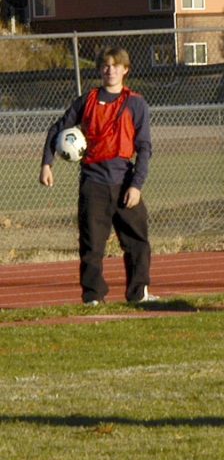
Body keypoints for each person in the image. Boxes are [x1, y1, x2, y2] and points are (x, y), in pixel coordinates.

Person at [39, 47, 158, 306]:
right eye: (106, 65)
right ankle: (93, 297)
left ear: (125, 70)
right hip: (93, 184)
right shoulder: (87, 101)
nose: (110, 70)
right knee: (92, 245)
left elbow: (144, 147)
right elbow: (57, 129)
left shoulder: (136, 103)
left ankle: (139, 293)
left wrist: (136, 185)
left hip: (124, 183)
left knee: (137, 242)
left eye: (116, 66)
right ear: (100, 70)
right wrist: (47, 163)